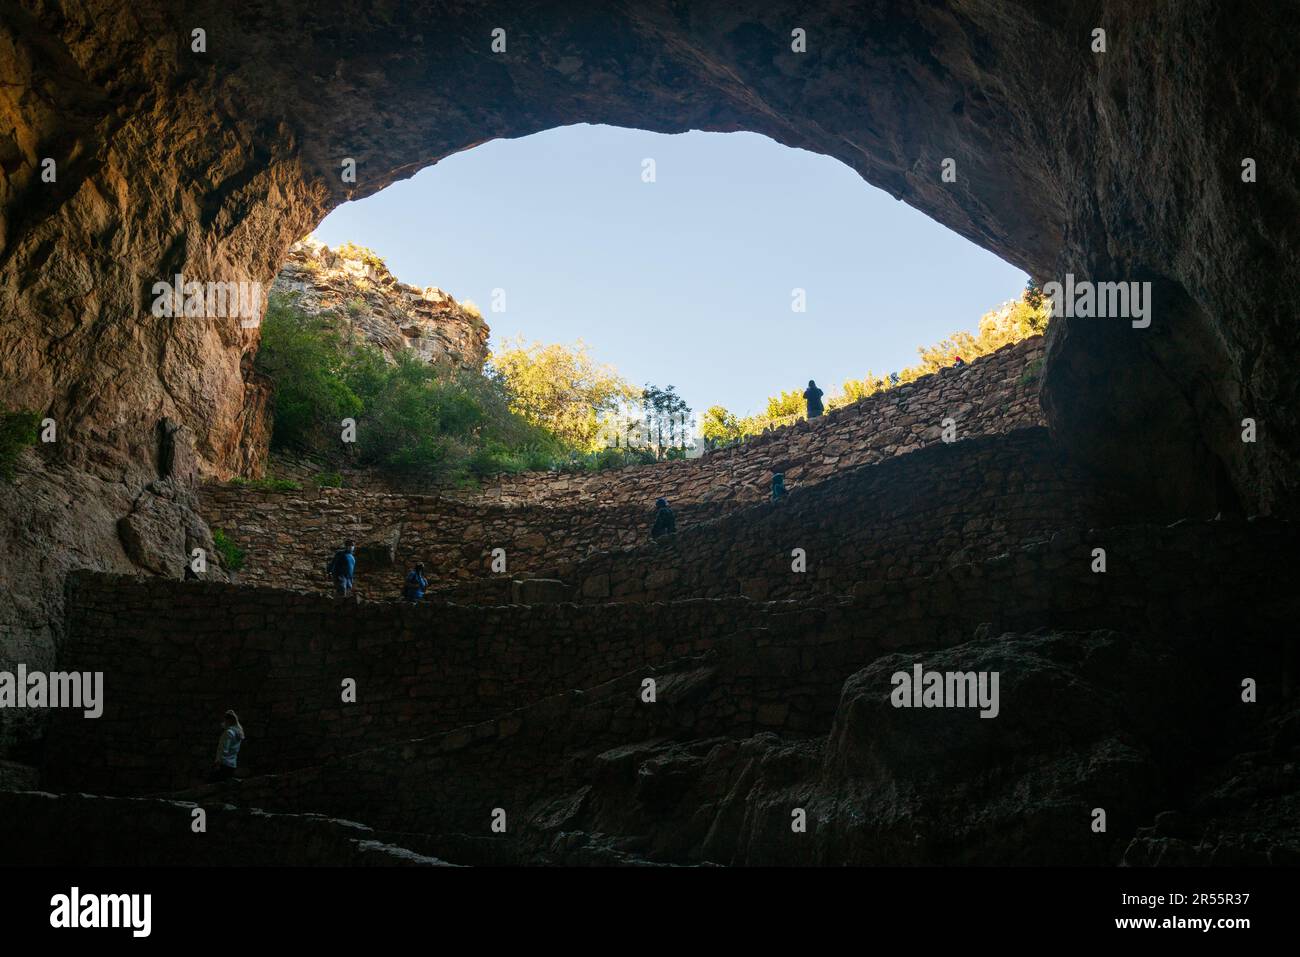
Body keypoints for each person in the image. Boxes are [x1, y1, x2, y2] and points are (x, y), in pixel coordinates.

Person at [209, 710, 244, 783]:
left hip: (223, 764)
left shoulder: (228, 733)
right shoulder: (238, 733)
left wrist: (218, 763)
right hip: (232, 764)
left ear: (227, 720)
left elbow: (223, 749)